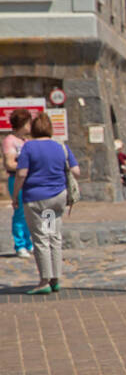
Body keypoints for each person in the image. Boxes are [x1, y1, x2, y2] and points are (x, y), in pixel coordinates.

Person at [12, 112, 80, 295]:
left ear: (33, 129)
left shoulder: (29, 147)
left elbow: (21, 174)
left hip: (36, 199)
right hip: (56, 199)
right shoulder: (60, 146)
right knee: (53, 236)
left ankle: (44, 281)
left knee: (41, 239)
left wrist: (15, 195)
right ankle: (55, 278)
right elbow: (76, 170)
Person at [3, 108, 35, 259]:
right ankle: (20, 244)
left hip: (29, 180)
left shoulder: (26, 141)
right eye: (28, 123)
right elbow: (10, 163)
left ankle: (29, 243)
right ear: (22, 123)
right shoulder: (10, 141)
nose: (30, 126)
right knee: (20, 211)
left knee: (30, 212)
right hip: (17, 179)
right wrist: (27, 166)